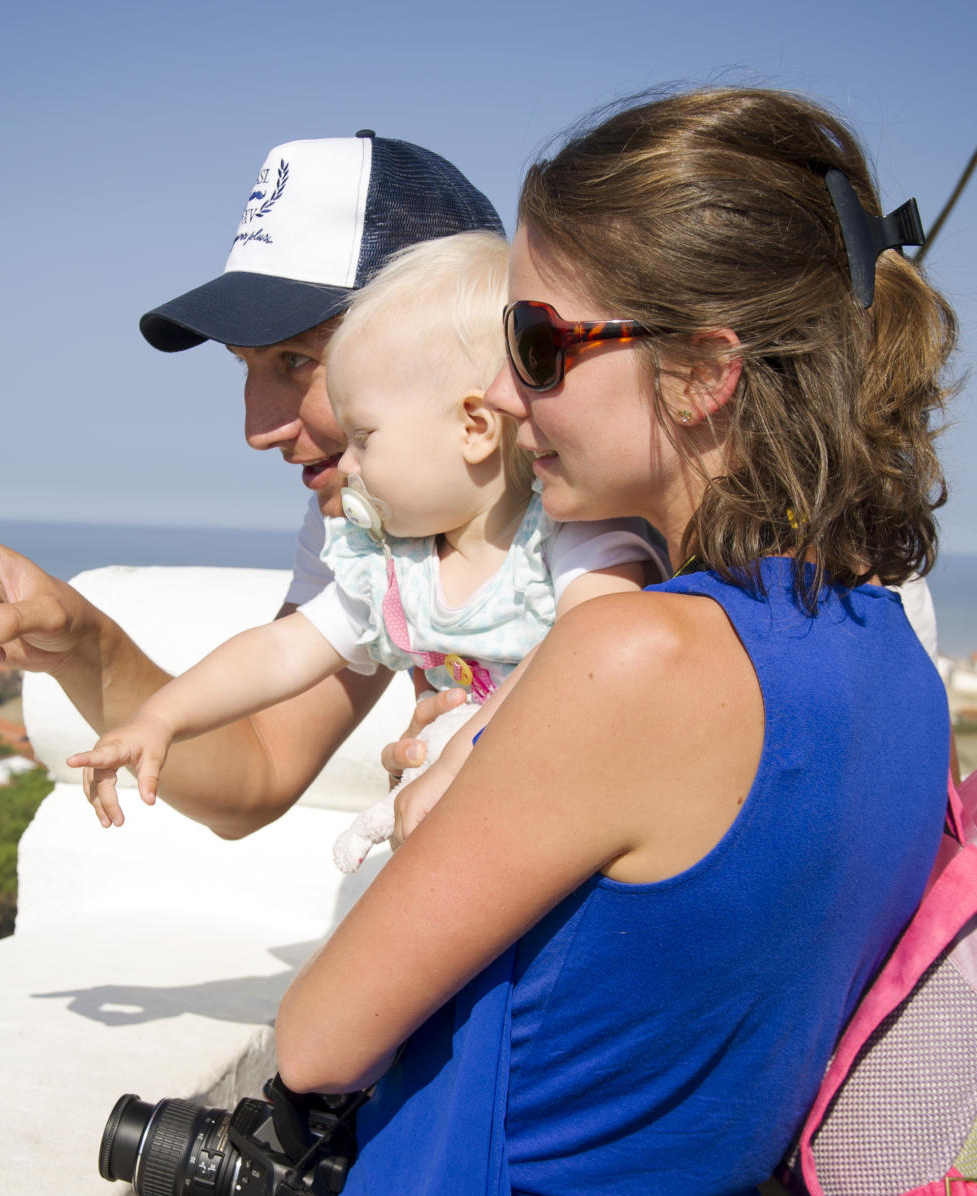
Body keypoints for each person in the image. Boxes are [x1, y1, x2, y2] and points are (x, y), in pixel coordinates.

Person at [254, 88, 959, 1196]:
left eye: (536, 344)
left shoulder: (633, 658)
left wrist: (454, 777)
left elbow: (320, 1036)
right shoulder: (891, 666)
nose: (508, 398)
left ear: (701, 375)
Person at [0, 131, 504, 836]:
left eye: (297, 362)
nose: (258, 428)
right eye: (245, 365)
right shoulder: (362, 523)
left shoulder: (608, 517)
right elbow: (260, 770)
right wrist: (83, 643)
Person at [65, 232, 663, 829]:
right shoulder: (394, 566)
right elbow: (278, 651)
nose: (347, 465)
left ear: (475, 427)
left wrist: (464, 752)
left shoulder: (567, 535)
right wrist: (160, 719)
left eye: (364, 438)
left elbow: (588, 645)